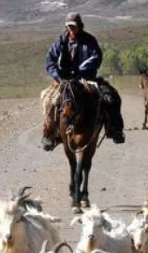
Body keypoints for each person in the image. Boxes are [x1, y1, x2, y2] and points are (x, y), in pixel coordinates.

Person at [43, 12, 125, 151]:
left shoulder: (90, 40)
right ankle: (50, 135)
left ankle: (114, 130)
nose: (71, 29)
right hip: (64, 81)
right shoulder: (61, 42)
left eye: (73, 26)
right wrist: (57, 76)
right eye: (69, 26)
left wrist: (81, 71)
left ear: (80, 26)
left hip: (86, 79)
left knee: (111, 96)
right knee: (48, 100)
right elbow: (50, 61)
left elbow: (96, 57)